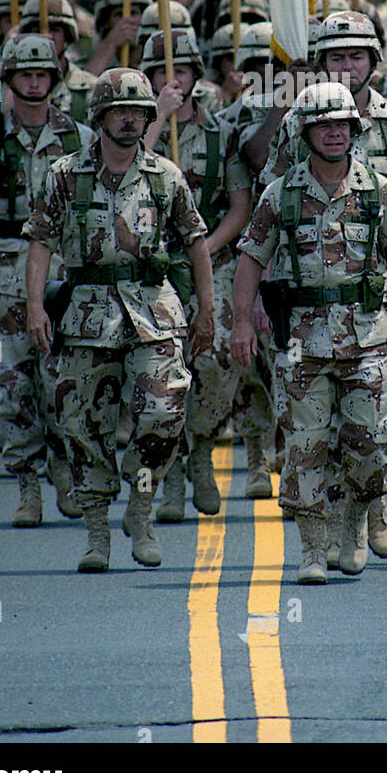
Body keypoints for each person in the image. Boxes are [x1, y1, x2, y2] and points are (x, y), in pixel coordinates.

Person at [231, 82, 387, 584]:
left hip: (368, 338)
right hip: (301, 342)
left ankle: (358, 519)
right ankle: (313, 548)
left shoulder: (377, 191)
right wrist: (240, 323)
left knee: (372, 440)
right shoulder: (281, 195)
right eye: (324, 125)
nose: (335, 133)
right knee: (305, 445)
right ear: (305, 132)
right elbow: (251, 260)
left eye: (342, 125)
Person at [24, 68, 215, 572]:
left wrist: (207, 309)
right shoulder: (65, 174)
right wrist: (36, 307)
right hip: (87, 311)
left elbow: (196, 242)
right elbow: (40, 242)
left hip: (152, 308)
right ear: (101, 117)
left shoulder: (164, 175)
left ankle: (142, 505)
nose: (130, 119)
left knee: (164, 408)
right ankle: (95, 533)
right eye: (119, 111)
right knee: (82, 420)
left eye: (139, 112)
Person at [0, 34, 94, 525]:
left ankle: (64, 468)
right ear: (10, 81)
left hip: (60, 273)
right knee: (13, 382)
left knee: (62, 381)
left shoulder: (80, 138)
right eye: (25, 75)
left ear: (54, 80)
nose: (35, 84)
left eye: (42, 75)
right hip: (5, 273)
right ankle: (27, 484)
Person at [141, 30, 256, 517]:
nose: (173, 80)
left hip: (211, 263)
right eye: (162, 73)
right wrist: (158, 117)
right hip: (149, 270)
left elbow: (240, 206)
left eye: (182, 71)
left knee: (219, 361)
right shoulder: (130, 128)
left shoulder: (218, 133)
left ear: (195, 77)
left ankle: (202, 448)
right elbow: (127, 176)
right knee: (159, 375)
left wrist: (204, 250)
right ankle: (167, 475)